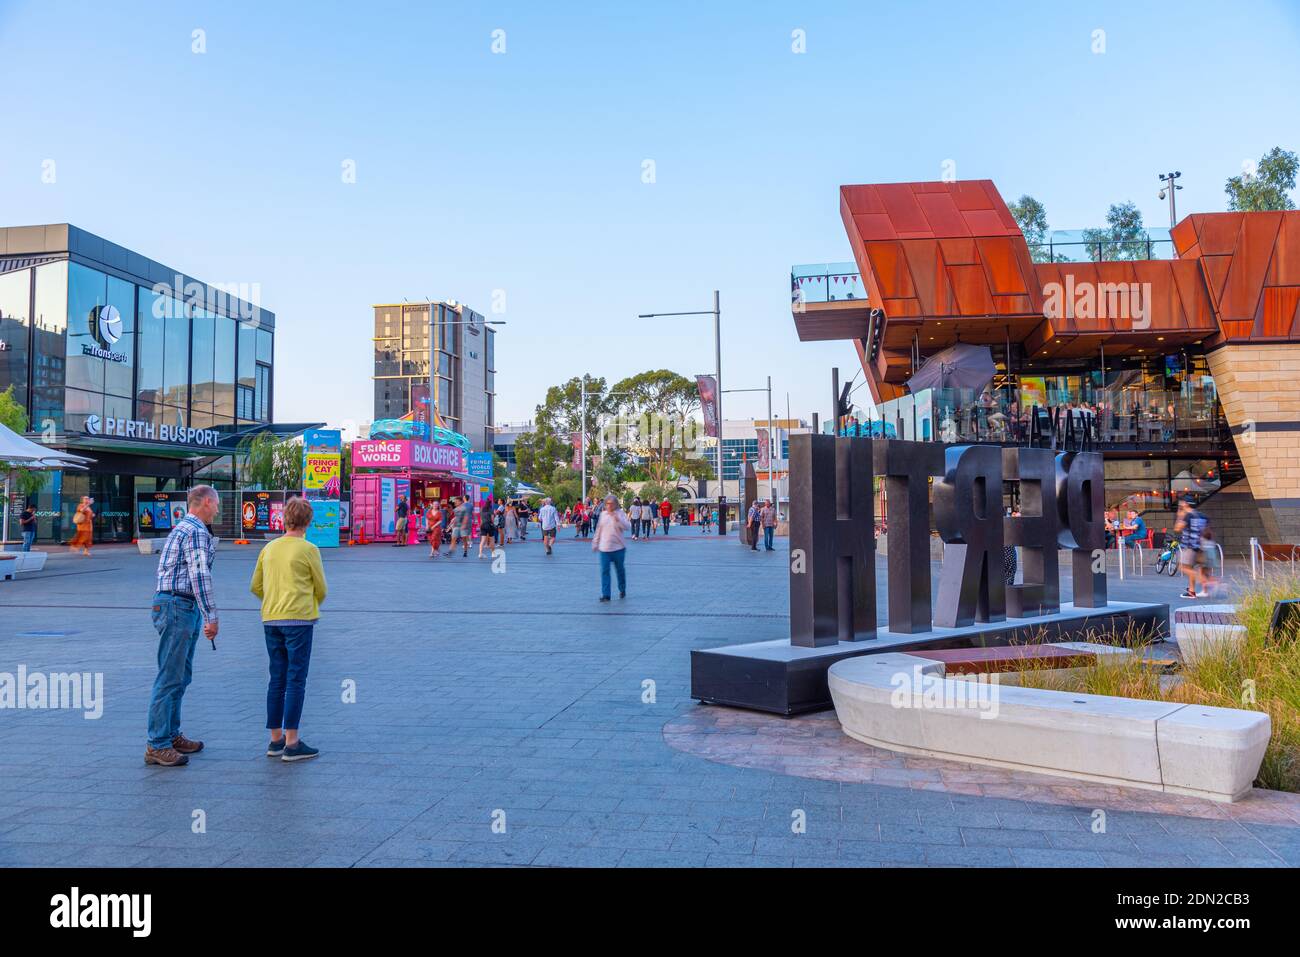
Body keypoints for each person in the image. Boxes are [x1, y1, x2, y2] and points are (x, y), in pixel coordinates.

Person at [145, 485, 220, 767]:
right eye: (216, 504)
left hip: (175, 604)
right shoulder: (196, 531)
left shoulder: (184, 528)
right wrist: (211, 615)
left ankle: (170, 734)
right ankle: (157, 743)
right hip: (178, 605)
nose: (217, 510)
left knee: (179, 675)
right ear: (206, 502)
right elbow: (199, 575)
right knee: (170, 677)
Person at [250, 496, 327, 763]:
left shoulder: (268, 548)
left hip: (271, 619)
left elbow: (256, 586)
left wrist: (274, 602)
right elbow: (321, 588)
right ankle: (293, 742)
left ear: (285, 519)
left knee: (277, 678)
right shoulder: (308, 550)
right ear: (307, 522)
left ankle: (275, 739)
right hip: (299, 621)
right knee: (296, 679)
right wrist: (307, 602)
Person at [592, 493, 631, 601]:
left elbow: (627, 527)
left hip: (619, 548)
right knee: (604, 571)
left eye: (611, 503)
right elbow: (599, 529)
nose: (609, 506)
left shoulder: (620, 513)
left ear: (615, 504)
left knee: (620, 570)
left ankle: (622, 589)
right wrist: (595, 543)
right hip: (604, 548)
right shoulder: (603, 514)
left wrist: (617, 519)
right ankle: (606, 595)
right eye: (607, 503)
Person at [1174, 499, 1209, 599]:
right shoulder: (1202, 515)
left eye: (1181, 503)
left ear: (1186, 504)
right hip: (1201, 545)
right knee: (1191, 568)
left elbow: (1177, 529)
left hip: (1189, 546)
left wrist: (1180, 516)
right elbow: (1207, 530)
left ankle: (1204, 581)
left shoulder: (1188, 515)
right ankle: (1191, 591)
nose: (1180, 504)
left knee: (1183, 567)